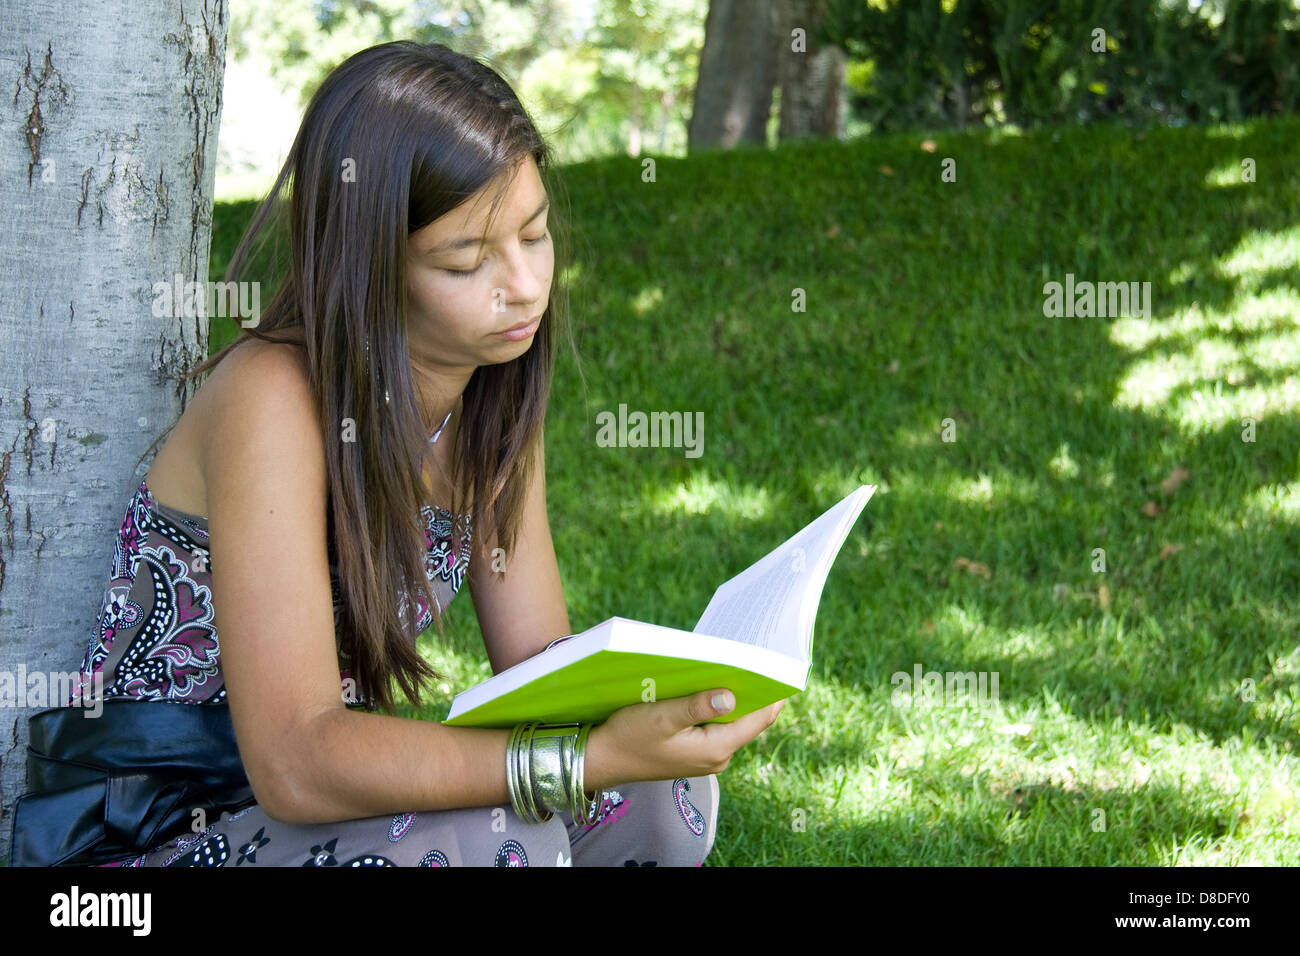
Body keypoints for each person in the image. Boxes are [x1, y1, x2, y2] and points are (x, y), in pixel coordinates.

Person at [26, 40, 783, 867]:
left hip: (338, 811)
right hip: (155, 828)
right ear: (371, 267)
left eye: (534, 235)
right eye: (467, 258)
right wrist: (583, 760)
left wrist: (665, 699)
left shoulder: (491, 398)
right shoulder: (272, 398)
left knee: (660, 800)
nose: (524, 284)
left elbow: (541, 673)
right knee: (490, 834)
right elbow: (294, 764)